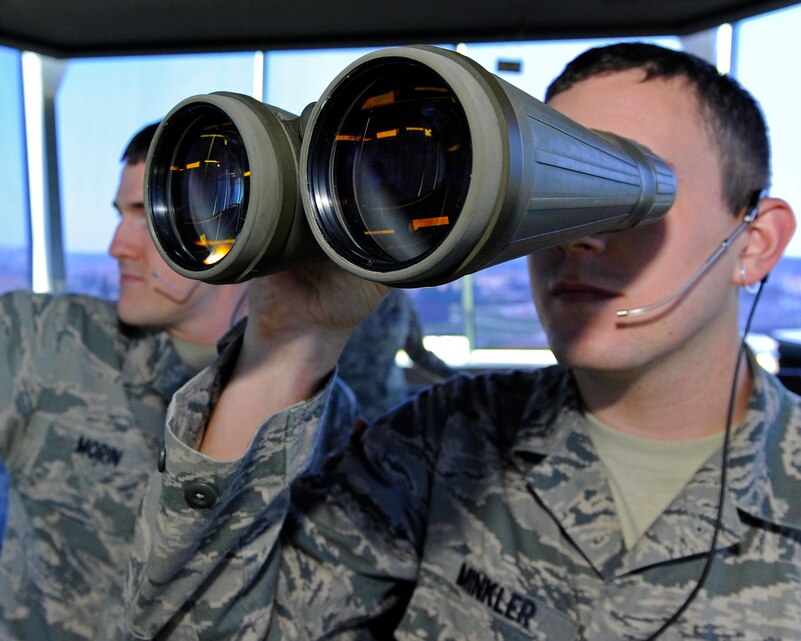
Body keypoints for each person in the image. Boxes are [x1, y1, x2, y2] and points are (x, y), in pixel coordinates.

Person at [124, 43, 800, 640]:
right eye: (562, 186)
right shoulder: (446, 439)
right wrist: (288, 339)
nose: (577, 234)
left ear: (756, 241)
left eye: (624, 187)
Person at [0, 123, 249, 640]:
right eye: (122, 215)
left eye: (149, 216)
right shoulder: (46, 342)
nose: (117, 247)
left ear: (240, 231)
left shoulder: (301, 408)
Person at [339, 288, 454, 421]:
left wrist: (459, 379)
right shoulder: (342, 295)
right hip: (346, 408)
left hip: (390, 408)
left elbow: (418, 353)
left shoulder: (400, 301)